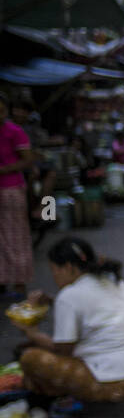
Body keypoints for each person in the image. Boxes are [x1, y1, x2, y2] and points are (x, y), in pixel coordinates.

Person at [17, 237, 124, 404]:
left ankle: (54, 396)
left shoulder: (69, 296)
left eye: (54, 270)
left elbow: (63, 351)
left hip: (117, 384)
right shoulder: (110, 278)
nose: (54, 276)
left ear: (68, 267)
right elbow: (91, 307)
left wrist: (31, 332)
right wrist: (53, 301)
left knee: (29, 358)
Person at [0, 91, 35, 300]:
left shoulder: (15, 132)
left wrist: (4, 170)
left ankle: (20, 285)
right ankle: (3, 282)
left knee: (16, 237)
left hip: (11, 189)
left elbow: (27, 161)